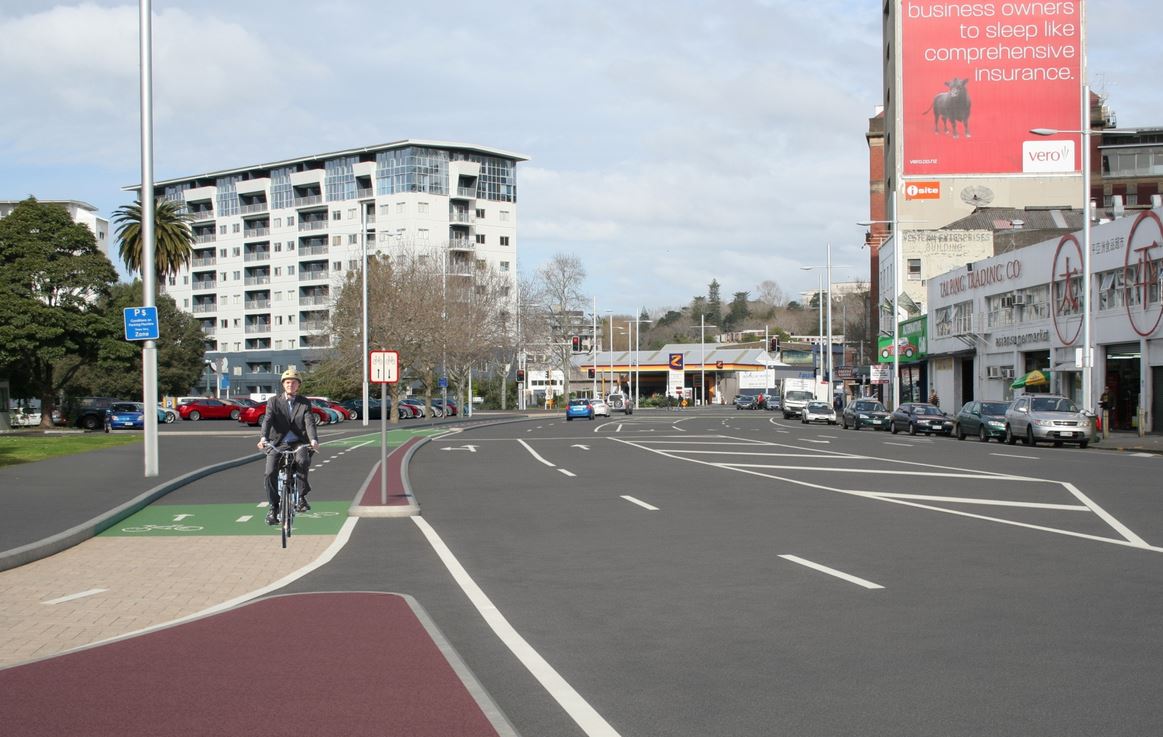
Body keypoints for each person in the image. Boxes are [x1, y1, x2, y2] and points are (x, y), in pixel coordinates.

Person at [258, 368, 320, 525]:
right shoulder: (273, 401)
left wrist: (313, 440)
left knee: (303, 461)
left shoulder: (304, 402)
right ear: (283, 385)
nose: (290, 384)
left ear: (298, 385)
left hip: (299, 442)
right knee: (269, 471)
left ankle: (301, 497)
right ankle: (273, 507)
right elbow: (268, 420)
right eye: (287, 382)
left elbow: (309, 422)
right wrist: (263, 437)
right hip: (277, 442)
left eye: (293, 382)